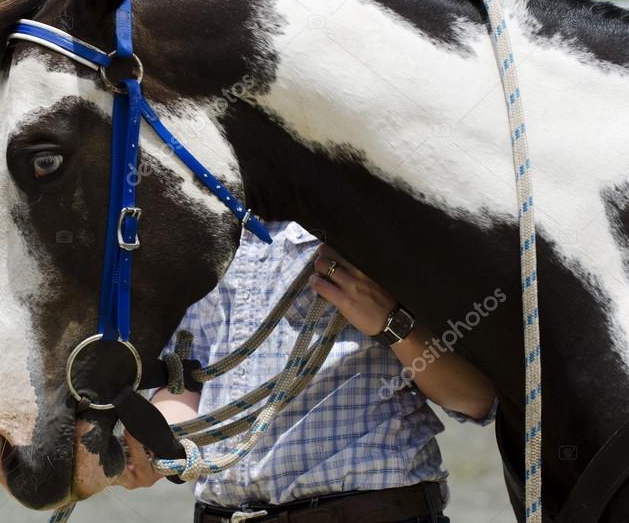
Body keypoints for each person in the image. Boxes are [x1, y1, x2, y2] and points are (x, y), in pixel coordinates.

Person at [117, 221, 496, 523]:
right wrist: (154, 445)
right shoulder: (203, 234)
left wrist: (391, 324)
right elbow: (187, 382)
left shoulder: (369, 220)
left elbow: (475, 397)